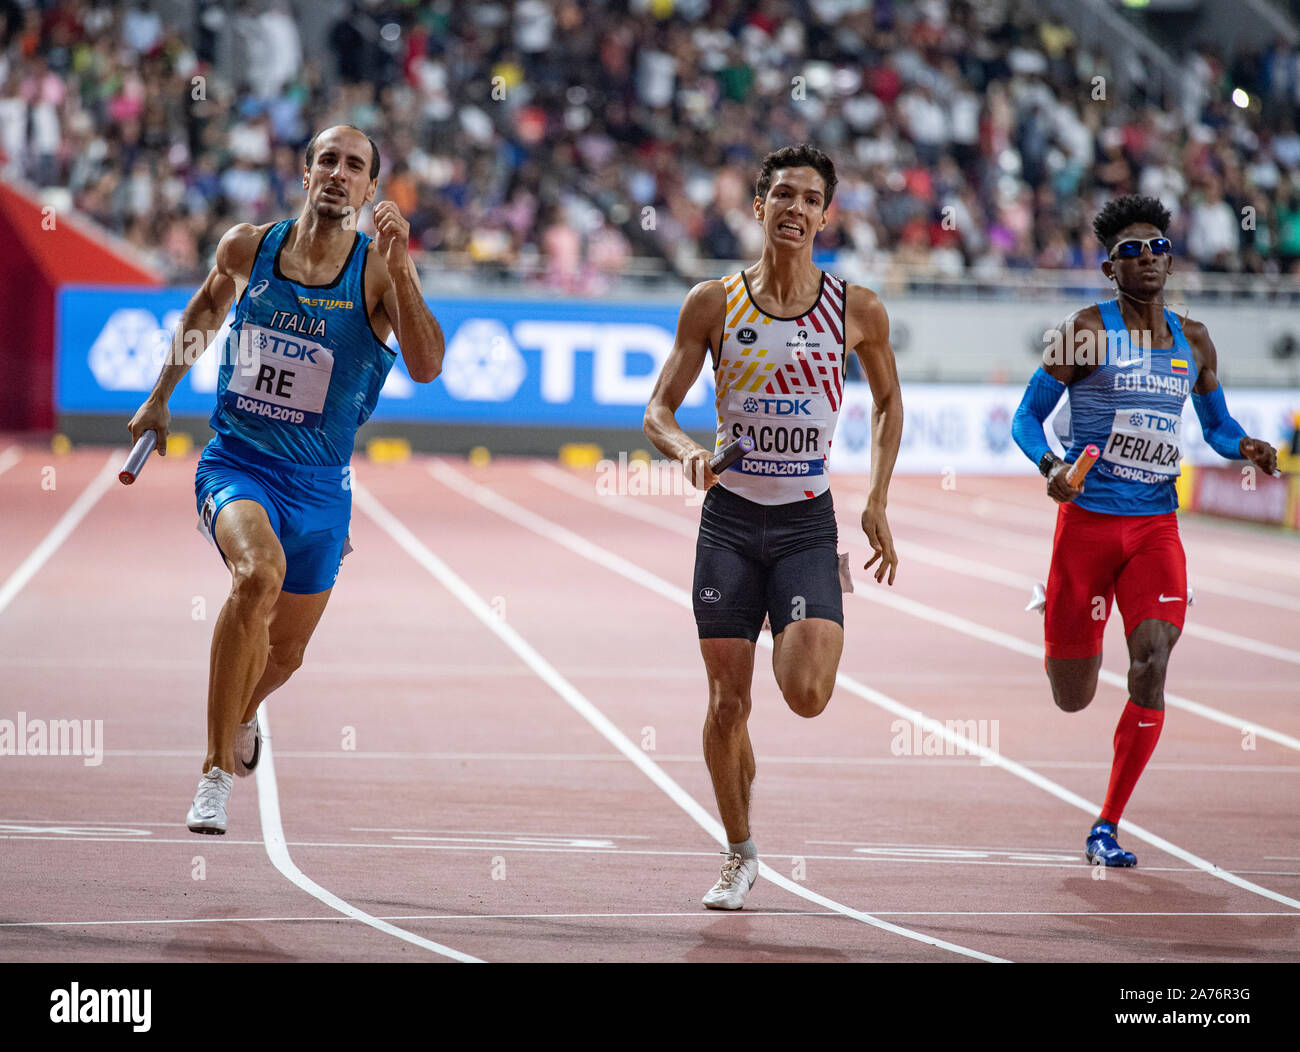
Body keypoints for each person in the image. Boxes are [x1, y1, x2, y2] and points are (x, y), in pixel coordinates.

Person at [127, 125, 445, 834]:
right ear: (305, 175)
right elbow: (207, 308)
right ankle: (214, 773)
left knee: (289, 652)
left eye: (354, 166)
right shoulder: (249, 246)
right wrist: (160, 395)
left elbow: (426, 366)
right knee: (256, 576)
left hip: (321, 488)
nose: (338, 173)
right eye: (326, 160)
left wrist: (404, 267)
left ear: (368, 190)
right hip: (239, 463)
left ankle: (239, 711)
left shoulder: (376, 271)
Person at [643, 144, 903, 909]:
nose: (794, 207)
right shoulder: (713, 302)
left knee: (807, 692)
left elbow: (889, 403)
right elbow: (658, 410)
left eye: (810, 197)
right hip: (727, 523)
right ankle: (740, 851)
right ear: (757, 208)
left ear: (826, 215)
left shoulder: (856, 308)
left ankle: (808, 606)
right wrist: (689, 452)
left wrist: (878, 498)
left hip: (804, 524)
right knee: (728, 703)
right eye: (781, 194)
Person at [1012, 194, 1277, 866]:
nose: (1149, 257)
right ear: (1109, 268)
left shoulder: (1196, 338)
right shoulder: (1084, 331)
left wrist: (1243, 445)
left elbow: (1215, 425)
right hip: (1087, 527)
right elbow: (1023, 418)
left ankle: (1107, 824)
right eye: (1132, 250)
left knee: (1152, 662)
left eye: (1158, 246)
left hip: (1155, 527)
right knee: (1071, 695)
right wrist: (1052, 466)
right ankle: (1065, 616)